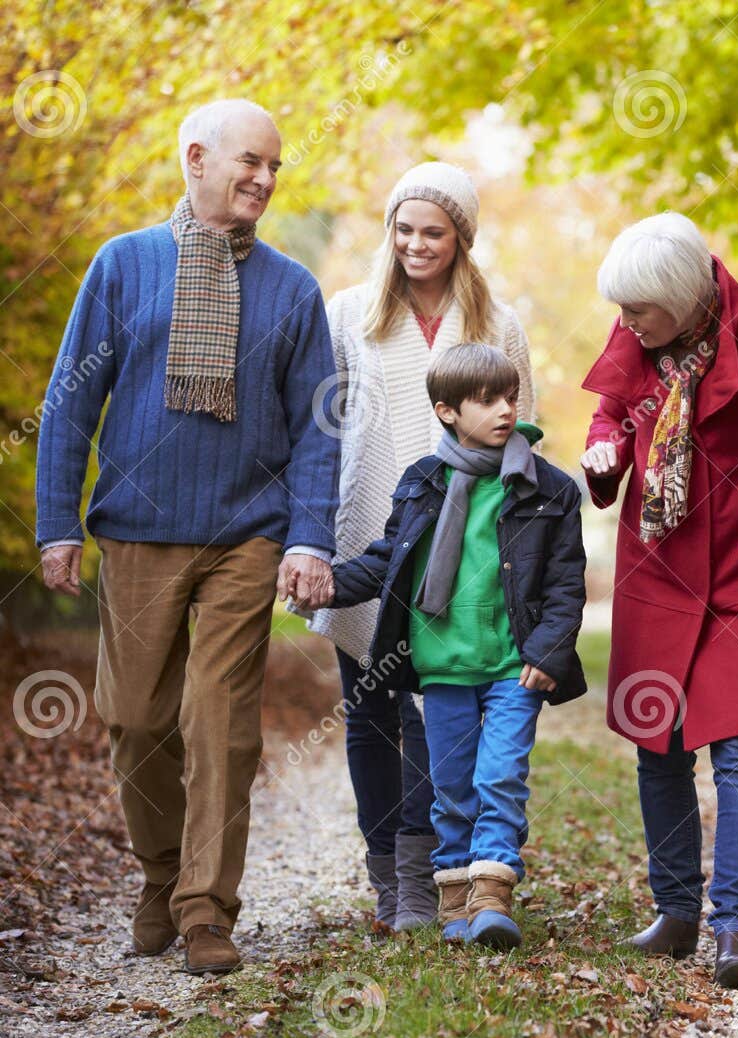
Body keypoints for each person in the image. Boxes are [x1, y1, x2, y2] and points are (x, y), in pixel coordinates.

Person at [34, 98, 340, 975]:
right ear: (197, 158)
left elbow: (321, 427)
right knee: (134, 719)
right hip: (137, 530)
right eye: (252, 161)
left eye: (276, 166)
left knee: (221, 723)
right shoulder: (123, 267)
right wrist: (57, 520)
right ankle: (162, 871)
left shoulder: (292, 288)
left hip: (247, 533)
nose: (267, 179)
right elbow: (69, 403)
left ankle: (208, 909)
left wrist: (308, 538)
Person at [580, 213, 738, 989]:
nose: (626, 325)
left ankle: (735, 928)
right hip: (660, 569)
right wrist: (605, 452)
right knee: (658, 745)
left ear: (688, 300)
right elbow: (611, 411)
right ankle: (676, 911)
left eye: (639, 314)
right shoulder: (641, 329)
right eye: (621, 312)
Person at [311, 162, 535, 933]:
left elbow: (520, 447)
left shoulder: (498, 324)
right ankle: (390, 883)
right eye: (403, 229)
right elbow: (321, 431)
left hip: (464, 553)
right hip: (367, 527)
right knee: (369, 711)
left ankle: (430, 876)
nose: (414, 244)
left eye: (432, 232)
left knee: (434, 715)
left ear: (460, 239)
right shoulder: (348, 314)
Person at [321, 343, 586, 950]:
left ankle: (493, 893)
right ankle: (456, 902)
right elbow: (389, 561)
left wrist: (546, 653)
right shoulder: (422, 482)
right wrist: (331, 585)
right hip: (441, 667)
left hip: (513, 667)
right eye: (486, 401)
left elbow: (565, 583)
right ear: (447, 411)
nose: (504, 410)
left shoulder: (549, 490)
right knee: (452, 783)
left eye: (510, 397)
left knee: (501, 774)